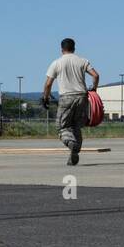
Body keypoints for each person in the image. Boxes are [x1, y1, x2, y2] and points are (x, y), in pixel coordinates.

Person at [42, 38, 99, 166]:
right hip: (82, 97)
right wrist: (94, 89)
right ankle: (75, 152)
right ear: (74, 48)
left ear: (62, 49)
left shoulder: (56, 63)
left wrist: (45, 98)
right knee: (76, 126)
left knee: (62, 127)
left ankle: (71, 143)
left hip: (66, 97)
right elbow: (96, 75)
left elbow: (48, 84)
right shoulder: (82, 61)